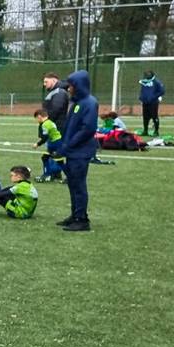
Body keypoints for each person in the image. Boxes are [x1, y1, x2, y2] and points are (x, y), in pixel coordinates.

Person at [59, 70, 98, 232]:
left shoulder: (89, 103)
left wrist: (69, 145)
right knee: (73, 184)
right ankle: (75, 215)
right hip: (73, 152)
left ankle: (82, 219)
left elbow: (87, 129)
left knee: (79, 186)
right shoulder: (77, 103)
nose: (68, 89)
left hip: (80, 152)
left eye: (71, 86)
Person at [33, 109, 65, 183]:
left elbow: (45, 138)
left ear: (39, 117)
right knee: (45, 158)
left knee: (60, 162)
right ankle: (47, 174)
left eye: (37, 118)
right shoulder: (49, 122)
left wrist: (37, 144)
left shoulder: (45, 124)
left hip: (56, 144)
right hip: (56, 143)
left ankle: (70, 177)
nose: (37, 120)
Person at [138, 70, 164, 136]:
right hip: (145, 102)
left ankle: (156, 131)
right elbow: (143, 91)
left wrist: (154, 97)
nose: (147, 75)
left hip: (153, 103)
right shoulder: (144, 82)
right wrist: (141, 98)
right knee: (145, 117)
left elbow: (162, 91)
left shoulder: (156, 82)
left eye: (149, 74)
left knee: (154, 116)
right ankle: (145, 131)